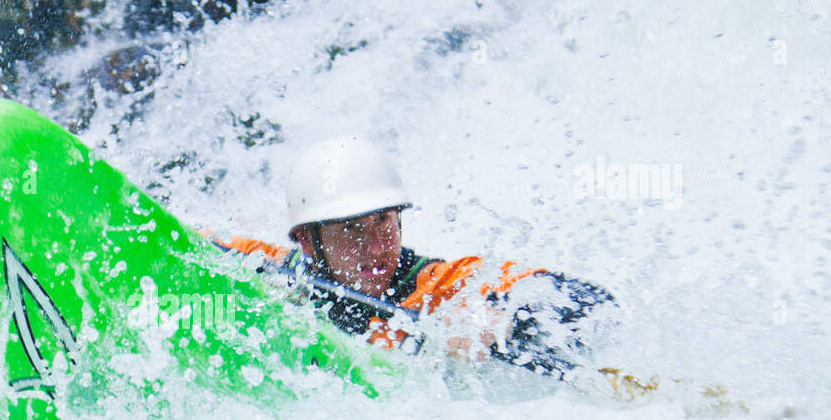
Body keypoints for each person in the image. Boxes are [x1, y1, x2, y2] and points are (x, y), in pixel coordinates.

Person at [216, 137, 616, 378]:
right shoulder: (275, 270)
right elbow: (180, 241)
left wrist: (501, 318)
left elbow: (591, 303)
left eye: (383, 223)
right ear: (307, 241)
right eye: (352, 230)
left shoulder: (435, 286)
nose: (375, 248)